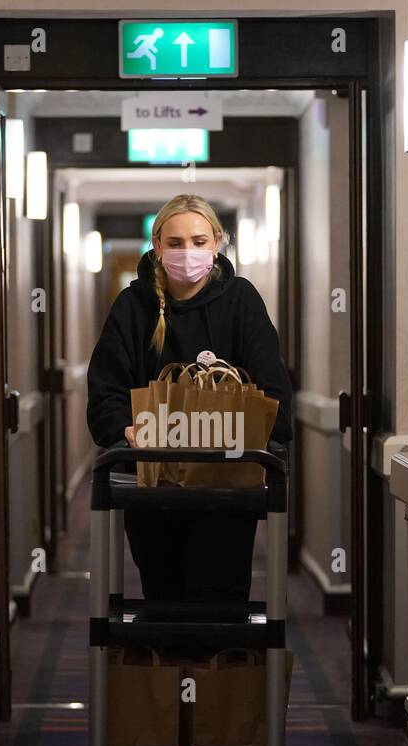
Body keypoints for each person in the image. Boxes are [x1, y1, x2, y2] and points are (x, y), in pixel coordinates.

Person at [87, 193, 293, 604]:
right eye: (176, 243)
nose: (188, 253)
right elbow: (105, 396)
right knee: (163, 597)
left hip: (228, 486)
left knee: (219, 600)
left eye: (199, 242)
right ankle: (165, 670)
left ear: (217, 243)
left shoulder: (242, 302)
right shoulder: (133, 308)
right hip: (153, 486)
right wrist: (127, 428)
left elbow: (275, 398)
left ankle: (218, 670)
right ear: (157, 245)